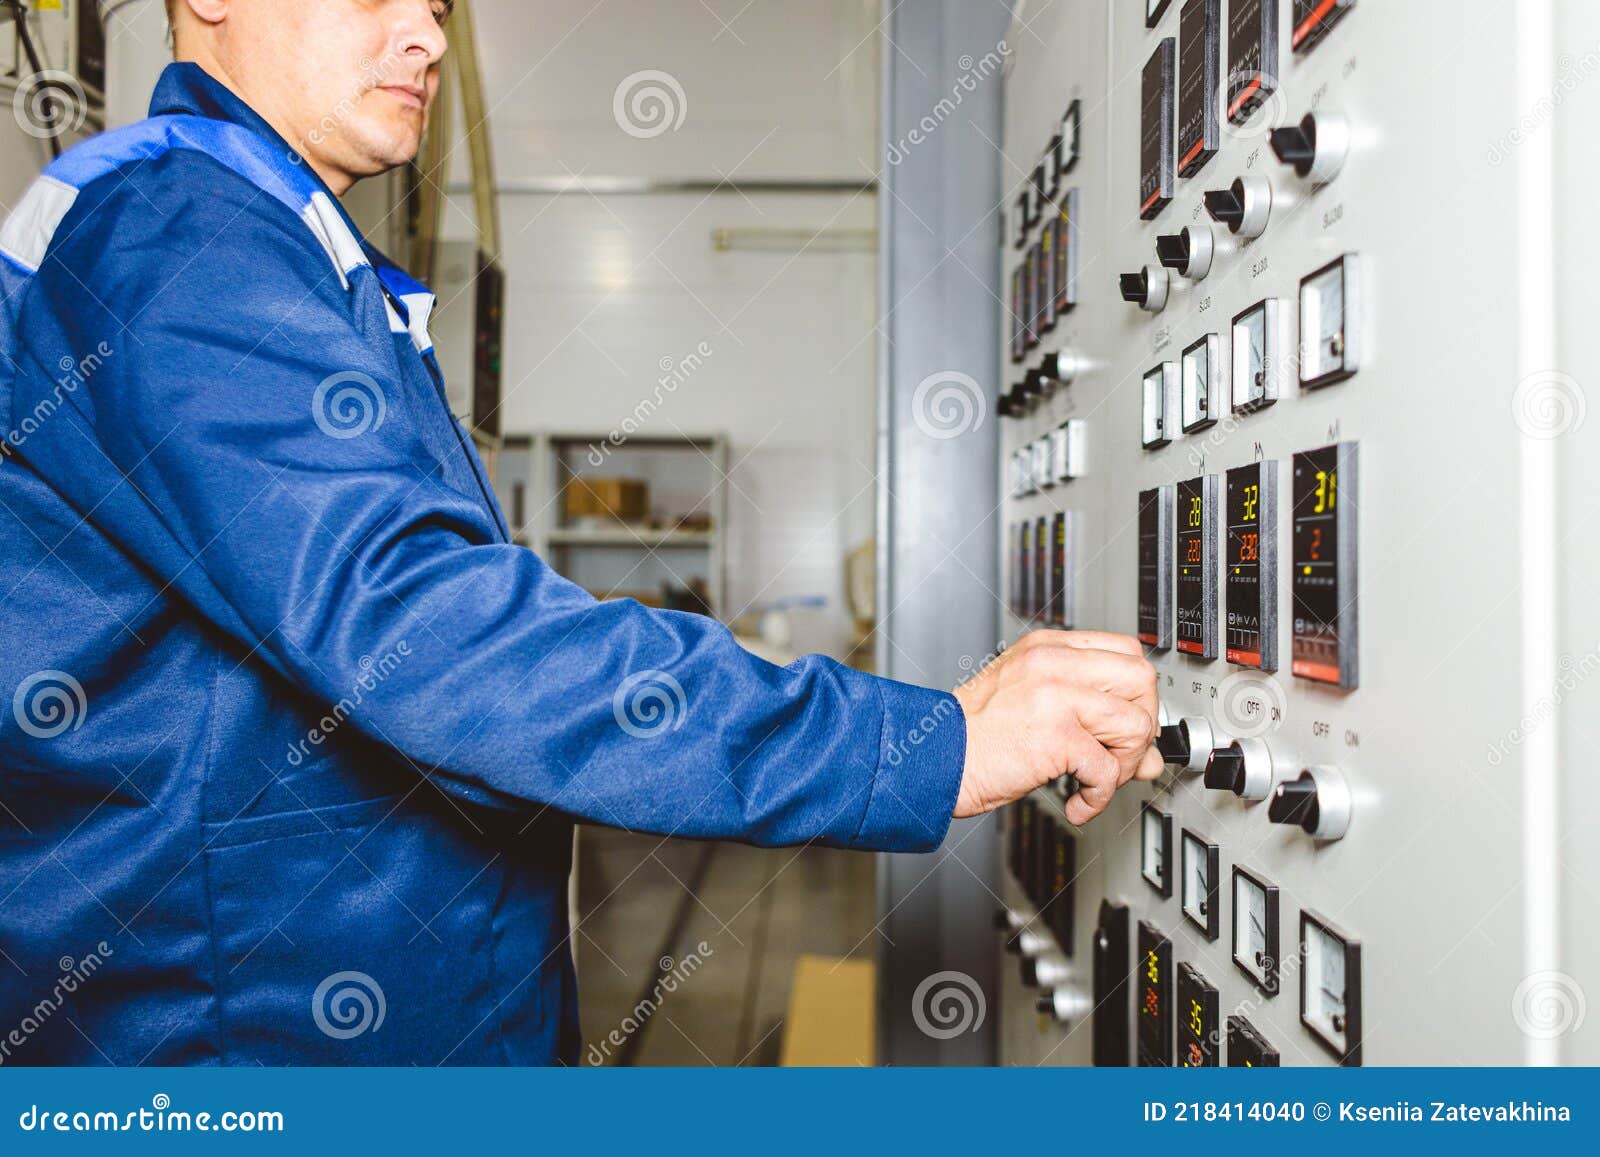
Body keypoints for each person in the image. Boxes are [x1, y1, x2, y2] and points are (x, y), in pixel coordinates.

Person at [0, 0, 1160, 1065]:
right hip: (245, 1041)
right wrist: (923, 743)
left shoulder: (271, 244)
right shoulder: (176, 235)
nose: (429, 37)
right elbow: (432, 633)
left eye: (440, 5)